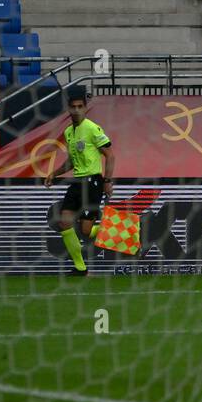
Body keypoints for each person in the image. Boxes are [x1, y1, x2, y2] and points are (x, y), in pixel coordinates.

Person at [44, 86, 115, 276]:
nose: (76, 110)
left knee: (85, 231)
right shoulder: (69, 132)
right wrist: (54, 173)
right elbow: (71, 161)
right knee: (64, 223)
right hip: (77, 182)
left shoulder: (92, 128)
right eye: (73, 107)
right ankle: (80, 268)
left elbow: (110, 155)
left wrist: (107, 181)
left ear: (85, 108)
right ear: (68, 108)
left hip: (92, 182)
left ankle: (119, 230)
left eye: (80, 106)